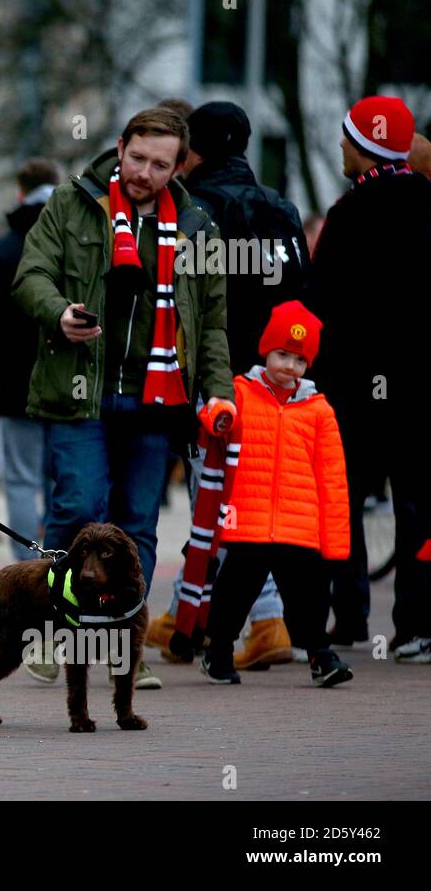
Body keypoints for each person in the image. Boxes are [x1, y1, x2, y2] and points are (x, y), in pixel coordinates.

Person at [12, 108, 236, 692]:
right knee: (78, 507)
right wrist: (59, 313)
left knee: (137, 525)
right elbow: (30, 274)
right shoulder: (71, 201)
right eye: (137, 158)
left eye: (161, 164)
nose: (145, 173)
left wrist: (218, 394)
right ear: (120, 147)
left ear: (179, 166)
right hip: (78, 392)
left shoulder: (199, 227)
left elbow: (212, 323)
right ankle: (49, 631)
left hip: (158, 401)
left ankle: (122, 650)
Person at [148, 101, 312, 670]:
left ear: (193, 151)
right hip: (281, 381)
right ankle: (183, 619)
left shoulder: (195, 209)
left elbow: (184, 306)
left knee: (219, 505)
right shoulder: (282, 210)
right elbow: (302, 302)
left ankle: (265, 620)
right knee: (243, 502)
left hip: (216, 382)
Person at [308, 96, 431, 661]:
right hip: (419, 386)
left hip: (355, 386)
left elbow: (321, 302)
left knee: (345, 499)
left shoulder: (349, 214)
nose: (339, 146)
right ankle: (416, 624)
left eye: (346, 138)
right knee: (417, 504)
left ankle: (351, 615)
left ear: (364, 146)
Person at [201, 301, 353, 687]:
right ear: (265, 350)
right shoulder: (240, 391)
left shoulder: (319, 410)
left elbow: (333, 479)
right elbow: (212, 420)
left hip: (298, 528)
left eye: (299, 360)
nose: (289, 365)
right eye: (282, 354)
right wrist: (214, 417)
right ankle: (218, 651)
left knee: (310, 599)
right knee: (233, 594)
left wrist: (335, 544)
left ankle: (320, 654)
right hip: (247, 521)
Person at [0, 158, 60, 565]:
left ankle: (28, 570)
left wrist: (5, 357)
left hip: (16, 381)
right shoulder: (68, 241)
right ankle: (66, 567)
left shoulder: (2, 249)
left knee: (22, 481)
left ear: (20, 193)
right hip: (68, 378)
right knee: (64, 479)